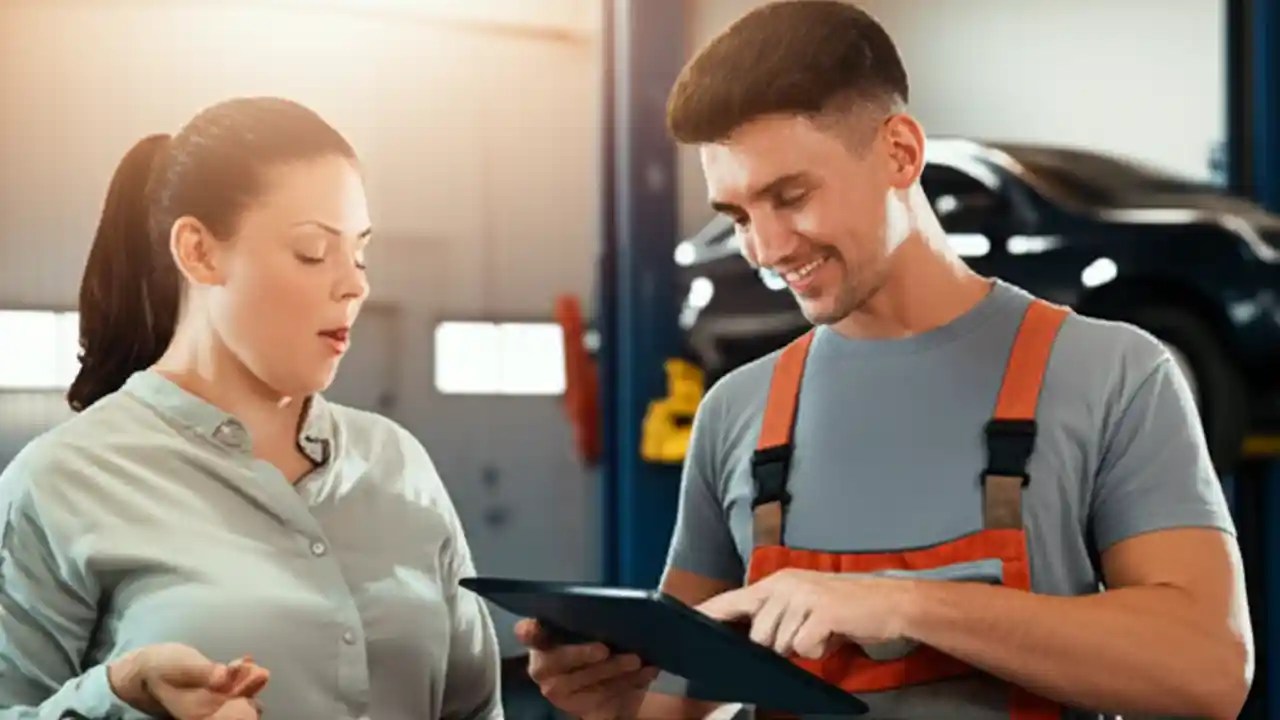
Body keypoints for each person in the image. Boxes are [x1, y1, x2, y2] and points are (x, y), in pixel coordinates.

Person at [516, 2, 1253, 718]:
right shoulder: (737, 413)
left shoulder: (1111, 374)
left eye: (791, 195)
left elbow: (1206, 669)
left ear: (900, 152)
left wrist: (900, 600)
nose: (767, 250)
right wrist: (616, 703)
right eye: (738, 215)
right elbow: (678, 703)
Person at [0, 97, 502, 719]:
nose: (355, 283)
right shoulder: (62, 482)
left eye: (361, 252)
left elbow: (475, 710)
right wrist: (117, 693)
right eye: (314, 251)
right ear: (200, 252)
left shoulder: (397, 463)